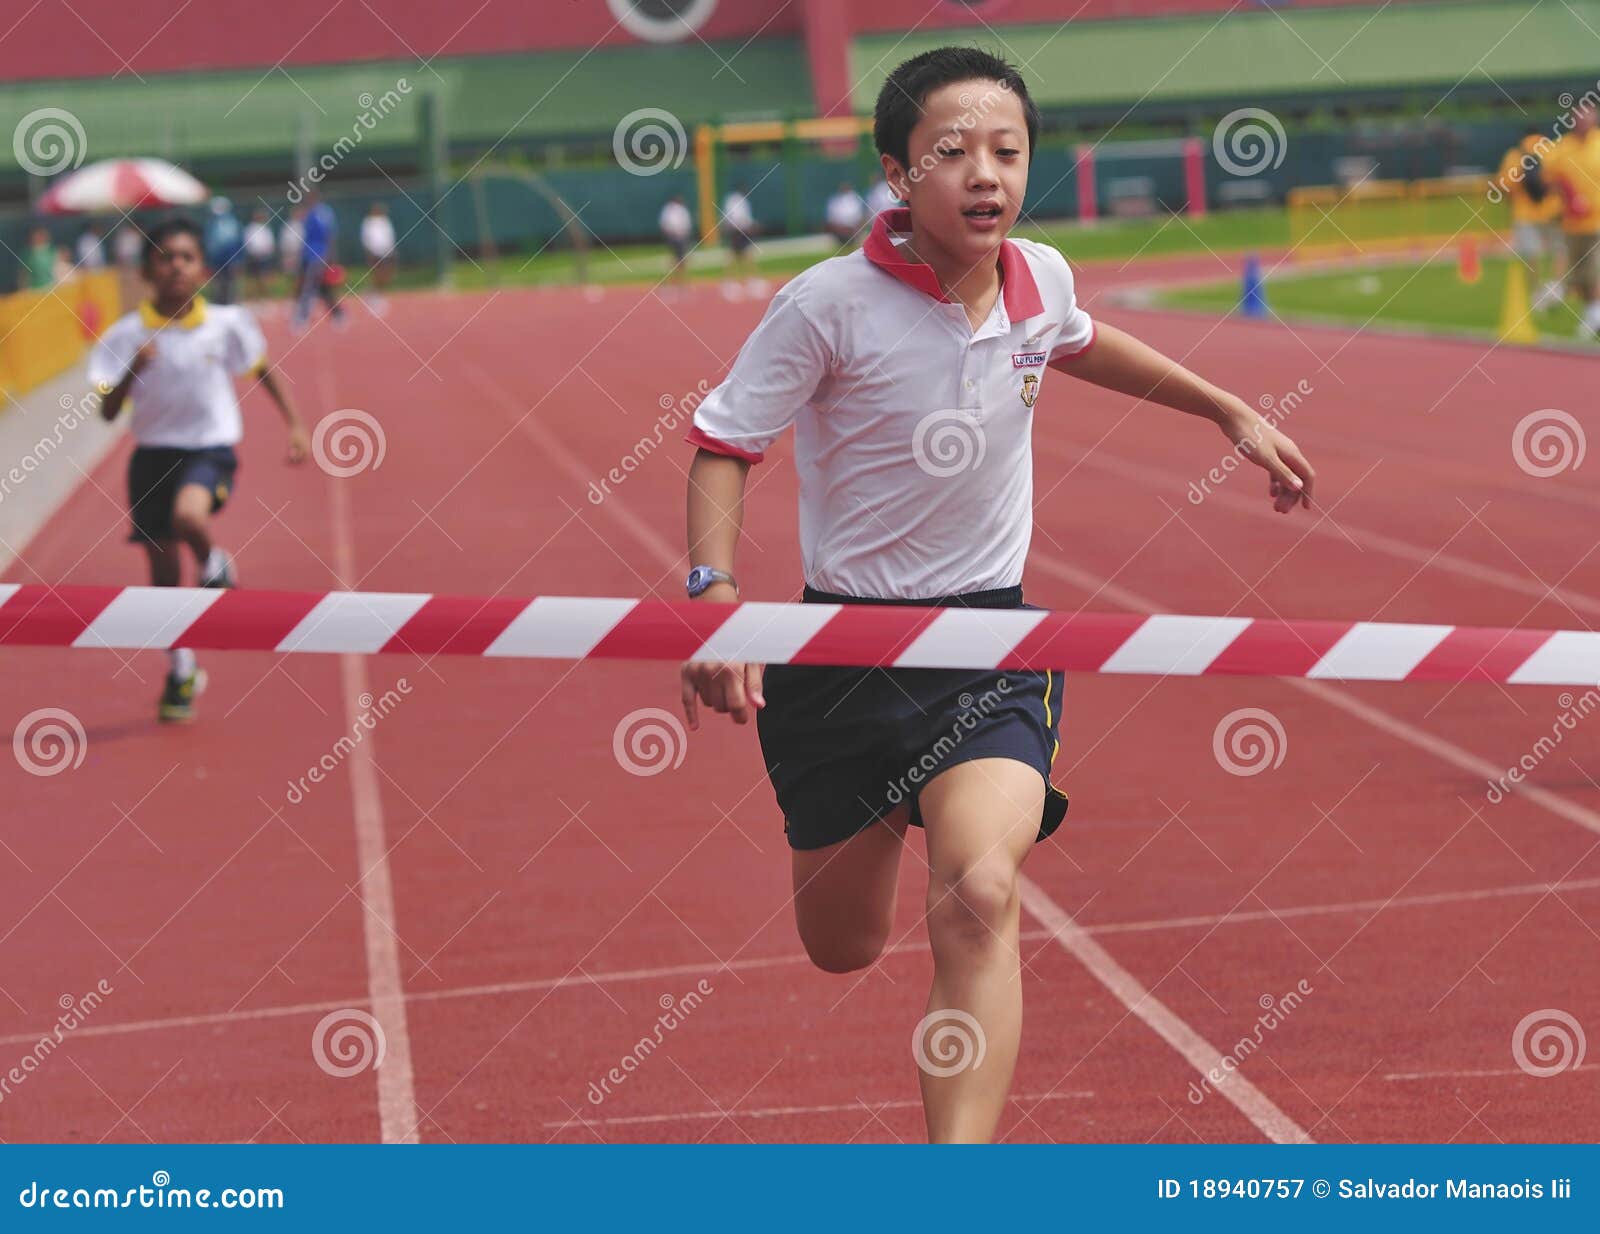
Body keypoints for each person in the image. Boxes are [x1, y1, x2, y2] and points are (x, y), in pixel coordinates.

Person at [677, 47, 1315, 1144]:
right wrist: (716, 598)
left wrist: (1225, 408)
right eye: (953, 152)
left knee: (979, 890)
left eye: (1007, 152)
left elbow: (1083, 341)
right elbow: (723, 445)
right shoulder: (824, 304)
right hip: (840, 655)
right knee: (841, 946)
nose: (986, 173)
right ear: (896, 173)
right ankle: (886, 803)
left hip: (987, 646)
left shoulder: (1042, 280)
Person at [88, 217, 310, 723]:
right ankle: (182, 669)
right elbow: (107, 410)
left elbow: (262, 369)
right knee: (163, 582)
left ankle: (212, 562)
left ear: (203, 269)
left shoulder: (226, 323)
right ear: (147, 271)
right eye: (164, 257)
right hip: (151, 458)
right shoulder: (127, 335)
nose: (176, 266)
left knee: (190, 518)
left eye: (186, 257)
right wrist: (134, 369)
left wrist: (296, 425)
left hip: (209, 450)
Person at [1538, 100, 1600, 339]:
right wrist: (1569, 196)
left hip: (1597, 221)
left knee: (1594, 269)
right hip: (1573, 224)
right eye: (1579, 116)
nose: (1583, 120)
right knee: (1580, 275)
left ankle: (1595, 313)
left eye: (1588, 115)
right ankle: (1592, 313)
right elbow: (1548, 178)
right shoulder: (1561, 149)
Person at [293, 192, 346, 328]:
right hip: (309, 255)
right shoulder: (309, 214)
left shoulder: (322, 213)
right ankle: (338, 314)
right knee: (323, 287)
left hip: (319, 255)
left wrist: (330, 256)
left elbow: (330, 235)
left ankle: (302, 317)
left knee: (308, 286)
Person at [719, 183, 763, 298]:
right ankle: (731, 281)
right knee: (736, 256)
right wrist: (748, 226)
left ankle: (748, 279)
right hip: (737, 231)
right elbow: (737, 218)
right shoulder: (735, 201)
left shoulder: (738, 200)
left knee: (744, 255)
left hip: (740, 230)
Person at [203, 197, 245, 305]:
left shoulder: (233, 224)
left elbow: (239, 243)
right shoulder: (211, 224)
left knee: (231, 284)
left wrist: (238, 260)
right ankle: (218, 302)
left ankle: (230, 302)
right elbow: (209, 243)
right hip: (217, 260)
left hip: (230, 259)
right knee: (217, 284)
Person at [360, 202, 397, 311]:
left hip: (387, 252)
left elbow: (389, 236)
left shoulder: (385, 221)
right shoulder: (368, 222)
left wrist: (392, 249)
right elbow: (366, 238)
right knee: (377, 274)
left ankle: (373, 292)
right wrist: (369, 251)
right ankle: (375, 295)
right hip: (375, 252)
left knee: (386, 275)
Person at [659, 193, 694, 287]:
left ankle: (681, 279)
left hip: (681, 236)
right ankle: (671, 279)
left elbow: (686, 224)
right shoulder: (669, 209)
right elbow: (665, 224)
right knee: (674, 258)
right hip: (673, 236)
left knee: (682, 258)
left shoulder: (682, 210)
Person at [242, 208, 277, 300]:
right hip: (253, 257)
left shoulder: (266, 229)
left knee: (265, 277)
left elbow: (270, 244)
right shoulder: (250, 228)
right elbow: (247, 243)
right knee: (252, 278)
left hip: (264, 257)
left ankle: (265, 296)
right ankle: (252, 297)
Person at [824, 182, 867, 248]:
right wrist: (841, 229)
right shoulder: (834, 200)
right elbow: (830, 221)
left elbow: (862, 218)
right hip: (839, 233)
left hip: (854, 231)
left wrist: (855, 229)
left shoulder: (856, 200)